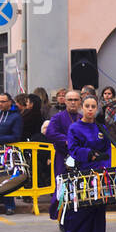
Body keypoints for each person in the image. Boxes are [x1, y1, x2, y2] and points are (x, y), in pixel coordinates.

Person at [63, 94, 112, 232]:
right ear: (82, 108)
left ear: (97, 108)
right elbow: (73, 149)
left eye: (93, 106)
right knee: (81, 212)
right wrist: (88, 154)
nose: (90, 109)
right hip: (83, 174)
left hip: (100, 175)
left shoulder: (101, 128)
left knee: (99, 214)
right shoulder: (75, 128)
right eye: (87, 106)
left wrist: (104, 168)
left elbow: (108, 150)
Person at [45, 90, 81, 222]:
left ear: (79, 102)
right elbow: (50, 133)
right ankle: (61, 215)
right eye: (70, 100)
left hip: (80, 158)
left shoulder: (82, 117)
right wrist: (66, 140)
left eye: (75, 100)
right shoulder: (58, 117)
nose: (72, 102)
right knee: (62, 187)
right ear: (65, 101)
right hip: (63, 157)